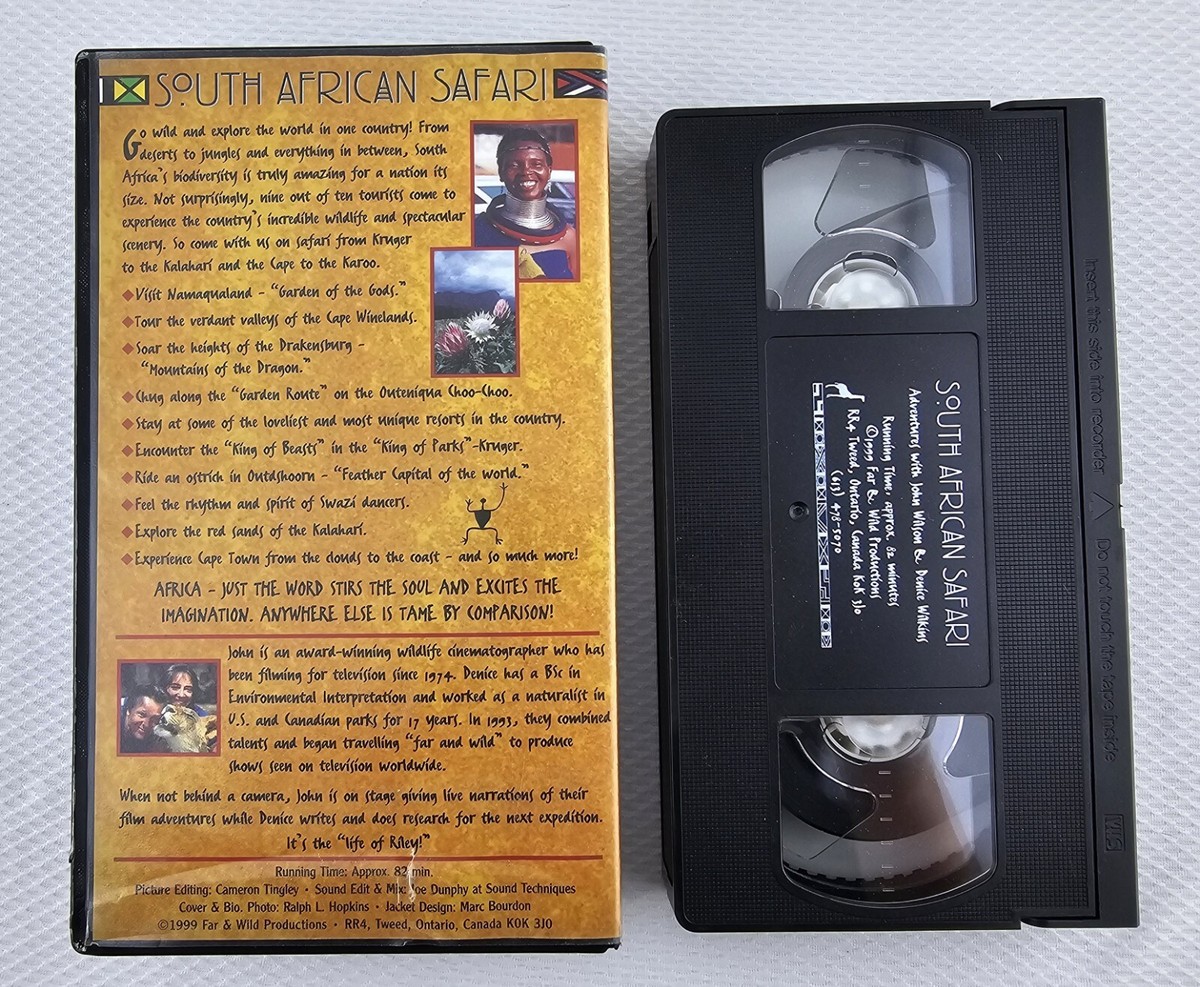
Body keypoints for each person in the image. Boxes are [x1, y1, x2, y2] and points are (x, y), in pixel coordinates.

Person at [474, 128, 577, 280]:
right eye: (514, 165)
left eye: (536, 164)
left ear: (549, 171)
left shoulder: (568, 236)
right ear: (501, 172)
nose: (526, 172)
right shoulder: (477, 232)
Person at [121, 688, 165, 753]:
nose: (147, 725)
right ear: (129, 710)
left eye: (154, 719)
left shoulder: (157, 736)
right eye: (142, 715)